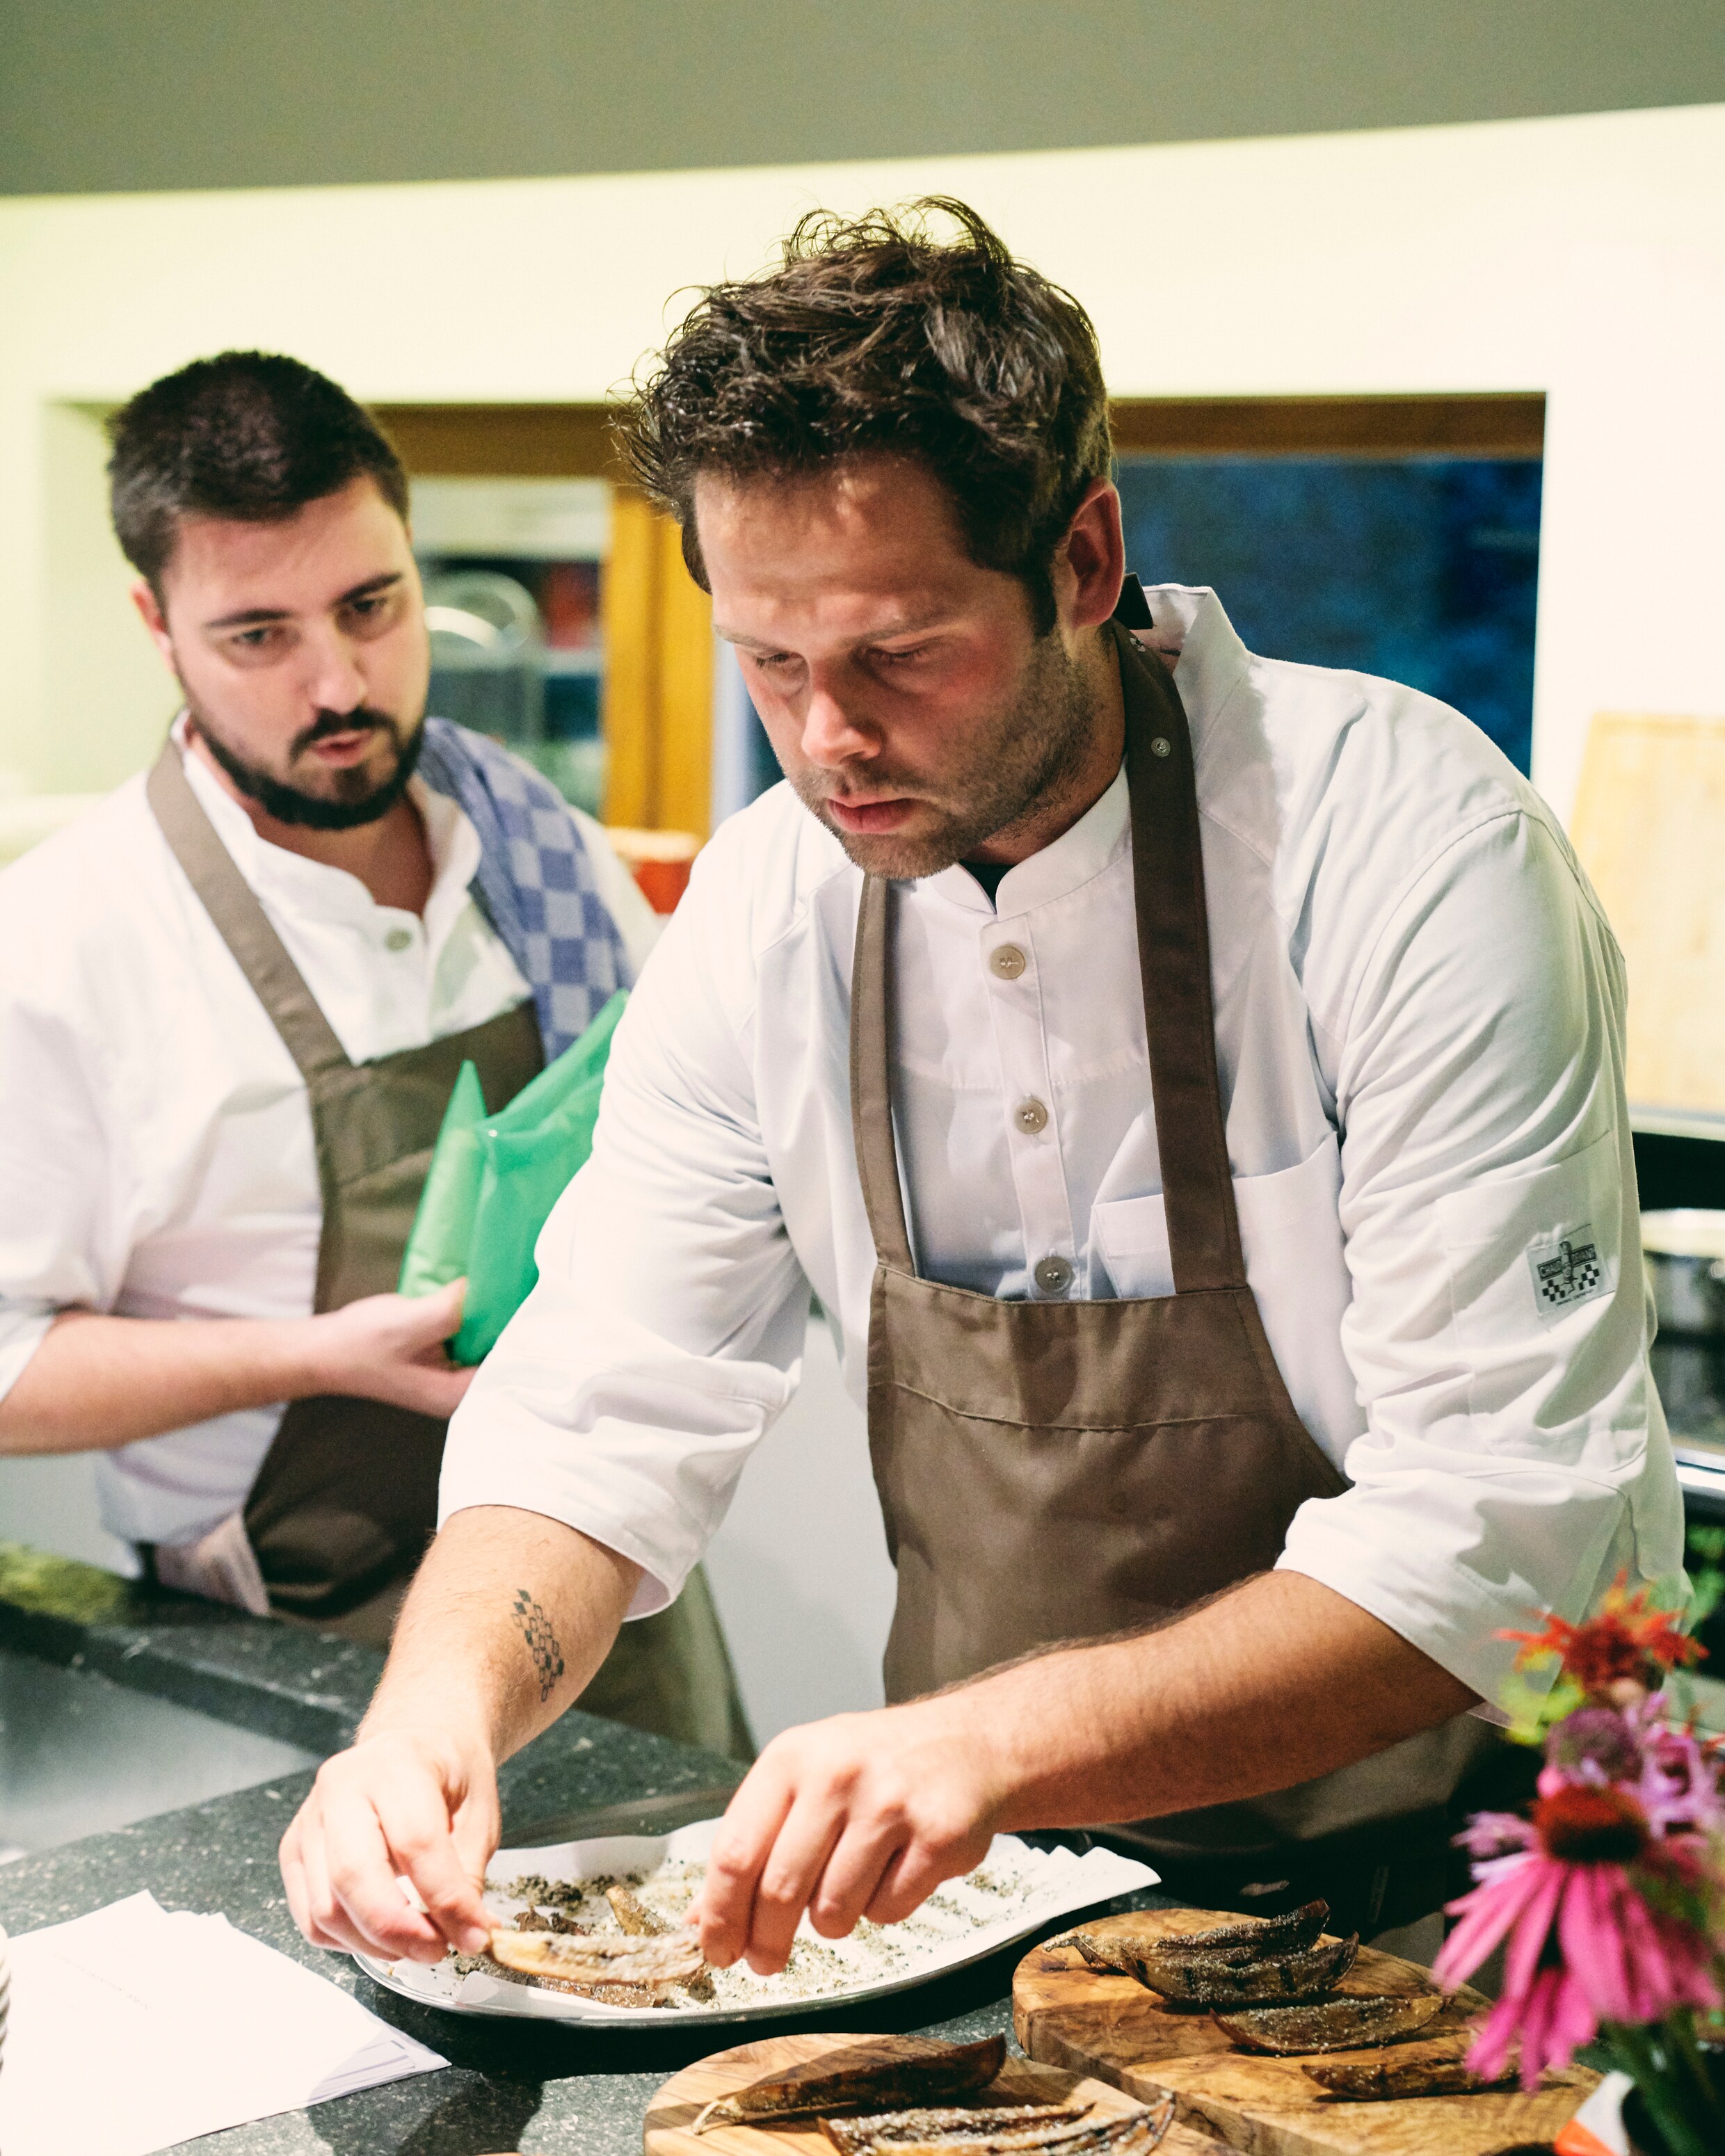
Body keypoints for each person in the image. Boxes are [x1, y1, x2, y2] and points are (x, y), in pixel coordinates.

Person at [278, 200, 1683, 1973]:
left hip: (1466, 1906)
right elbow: (600, 1399)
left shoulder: (1404, 849)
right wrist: (435, 1715)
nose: (825, 741)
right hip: (1016, 1930)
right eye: (769, 664)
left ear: (1084, 559)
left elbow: (1506, 1527)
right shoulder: (769, 904)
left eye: (897, 653)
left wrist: (985, 1740)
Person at [0, 351, 748, 1756]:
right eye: (258, 635)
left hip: (618, 1612)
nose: (337, 682)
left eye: (371, 605)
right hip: (300, 1656)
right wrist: (317, 1356)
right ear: (157, 623)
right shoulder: (63, 944)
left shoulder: (542, 849)